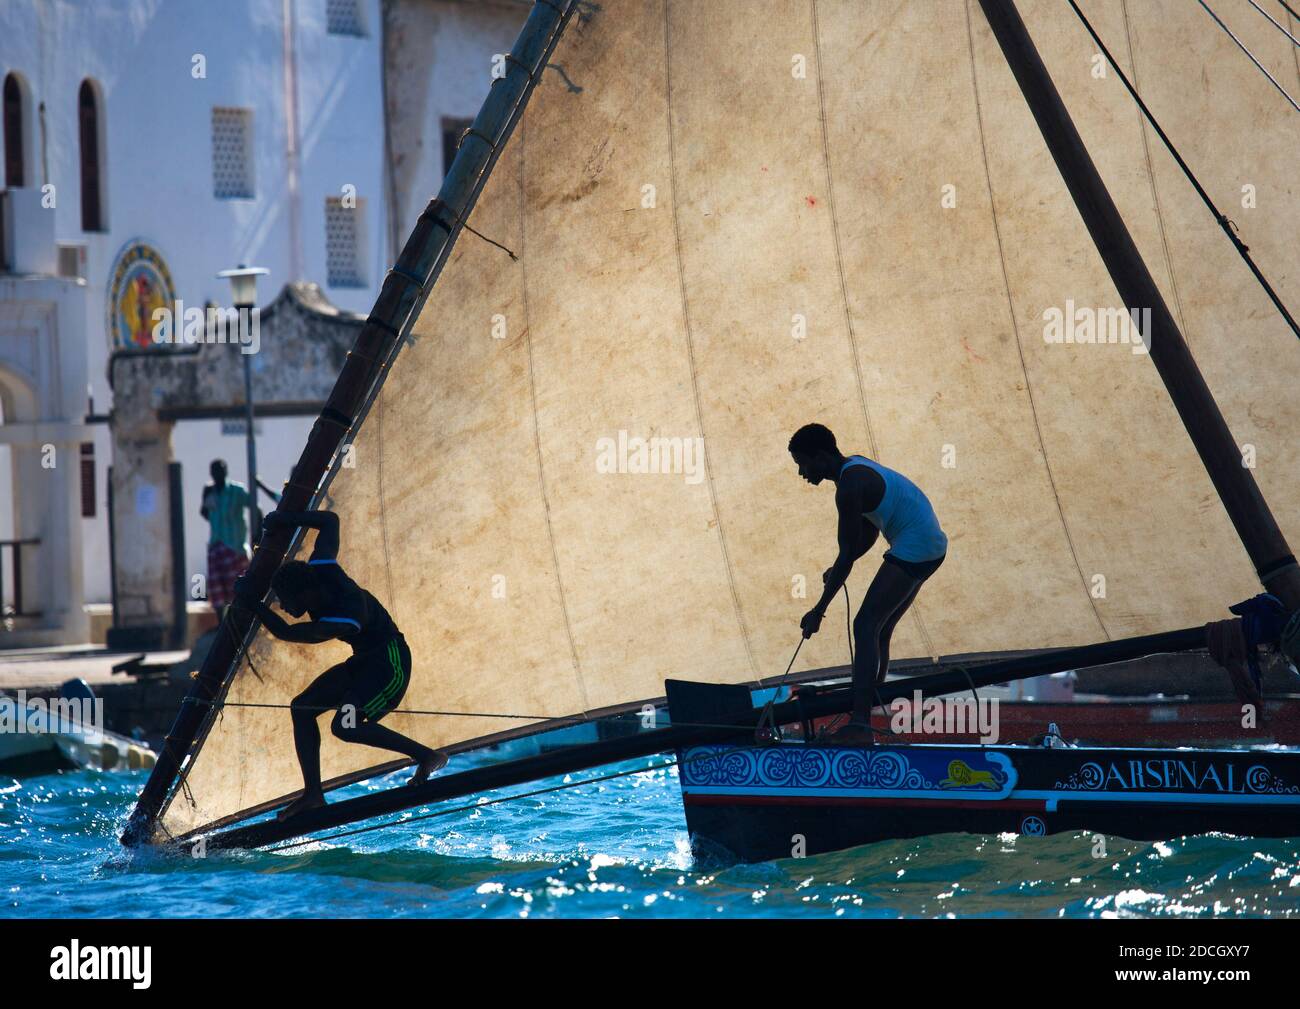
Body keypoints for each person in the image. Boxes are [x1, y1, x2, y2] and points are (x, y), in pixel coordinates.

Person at [233, 509, 446, 819]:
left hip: (390, 663)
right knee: (302, 707)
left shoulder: (347, 615)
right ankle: (313, 795)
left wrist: (251, 603)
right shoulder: (321, 564)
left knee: (345, 725)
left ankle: (426, 756)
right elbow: (330, 520)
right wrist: (286, 519)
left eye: (283, 600)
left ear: (303, 593)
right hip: (364, 662)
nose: (281, 606)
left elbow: (288, 632)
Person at [789, 423, 947, 744]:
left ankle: (860, 724)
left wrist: (818, 611)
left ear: (821, 456)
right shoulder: (855, 468)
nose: (802, 473)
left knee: (865, 625)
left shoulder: (849, 487)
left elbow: (847, 554)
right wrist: (837, 567)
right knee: (879, 629)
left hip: (915, 545)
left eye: (803, 464)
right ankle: (871, 706)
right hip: (932, 546)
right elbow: (872, 532)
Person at [200, 459, 251, 612]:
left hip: (234, 546)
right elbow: (204, 513)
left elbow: (255, 507)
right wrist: (205, 497)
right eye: (214, 471)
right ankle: (221, 626)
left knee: (236, 589)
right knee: (217, 591)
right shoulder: (210, 492)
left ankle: (238, 619)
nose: (217, 474)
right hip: (216, 544)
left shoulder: (237, 490)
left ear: (225, 472)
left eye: (220, 471)